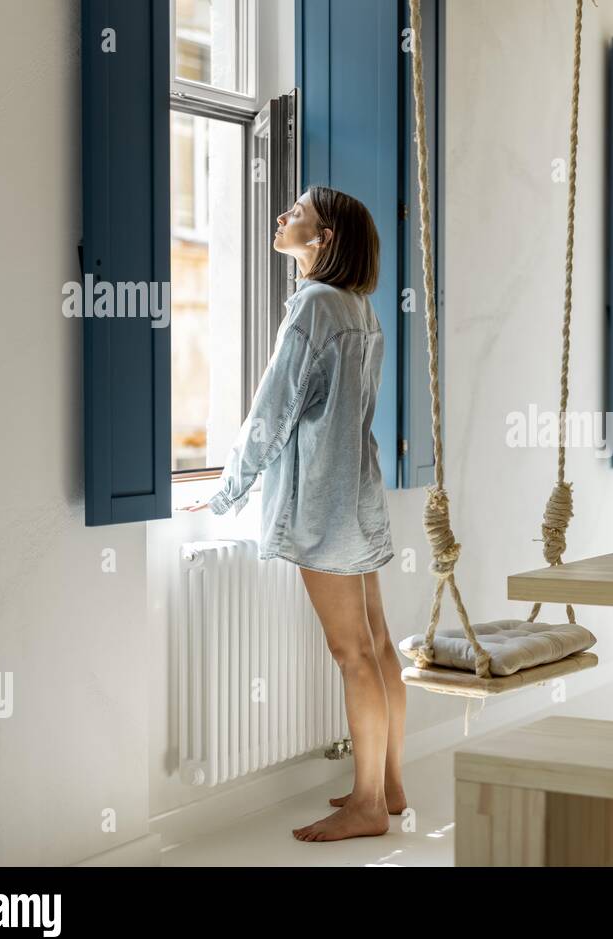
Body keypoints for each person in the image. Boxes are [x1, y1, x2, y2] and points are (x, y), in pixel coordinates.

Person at [182, 186, 406, 841]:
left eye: (297, 213)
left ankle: (367, 804)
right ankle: (388, 784)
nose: (283, 217)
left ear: (324, 237)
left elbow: (271, 415)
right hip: (361, 496)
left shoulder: (313, 306)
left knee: (353, 654)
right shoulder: (360, 309)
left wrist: (225, 494)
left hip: (326, 508)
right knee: (379, 645)